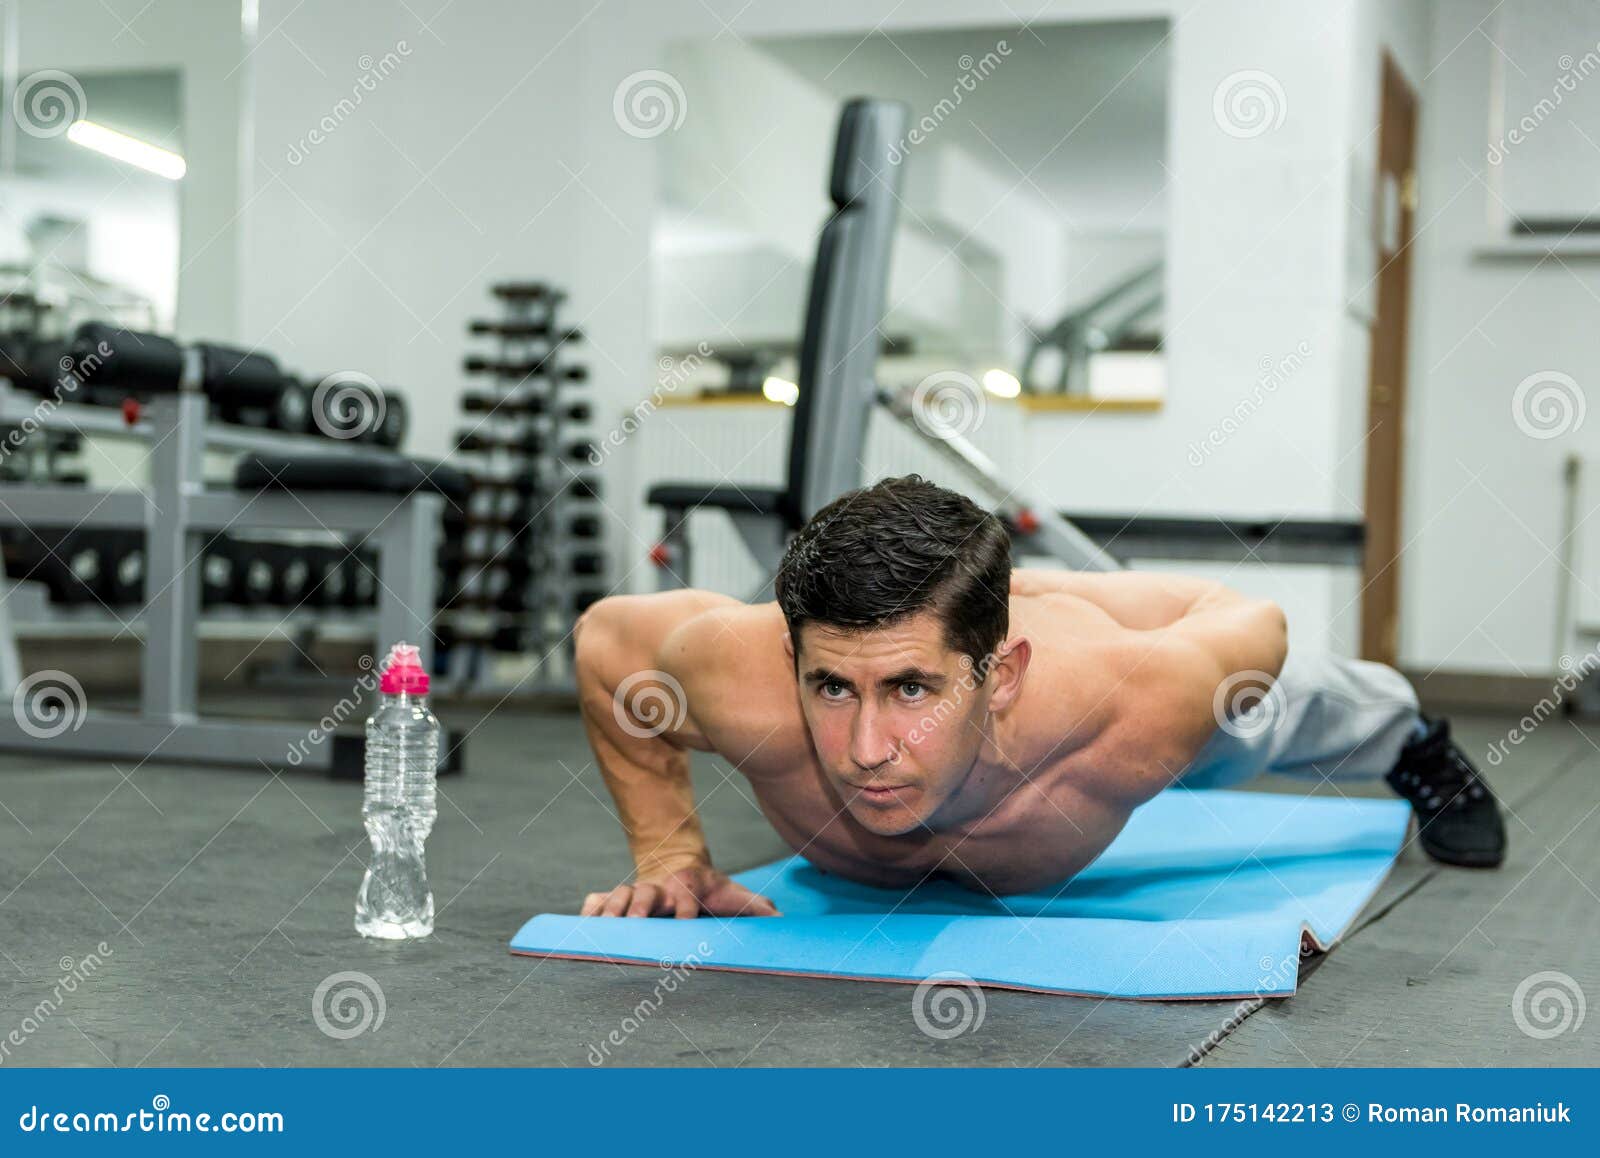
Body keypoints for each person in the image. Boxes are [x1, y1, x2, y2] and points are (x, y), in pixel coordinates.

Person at [574, 475, 1505, 919]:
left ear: (1002, 676)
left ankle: (1414, 738)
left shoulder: (1135, 698)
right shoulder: (737, 672)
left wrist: (1114, 622)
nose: (865, 748)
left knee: (1275, 712)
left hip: (1103, 636)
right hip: (1010, 629)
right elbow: (607, 644)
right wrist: (668, 849)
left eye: (909, 690)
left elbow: (1253, 623)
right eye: (830, 686)